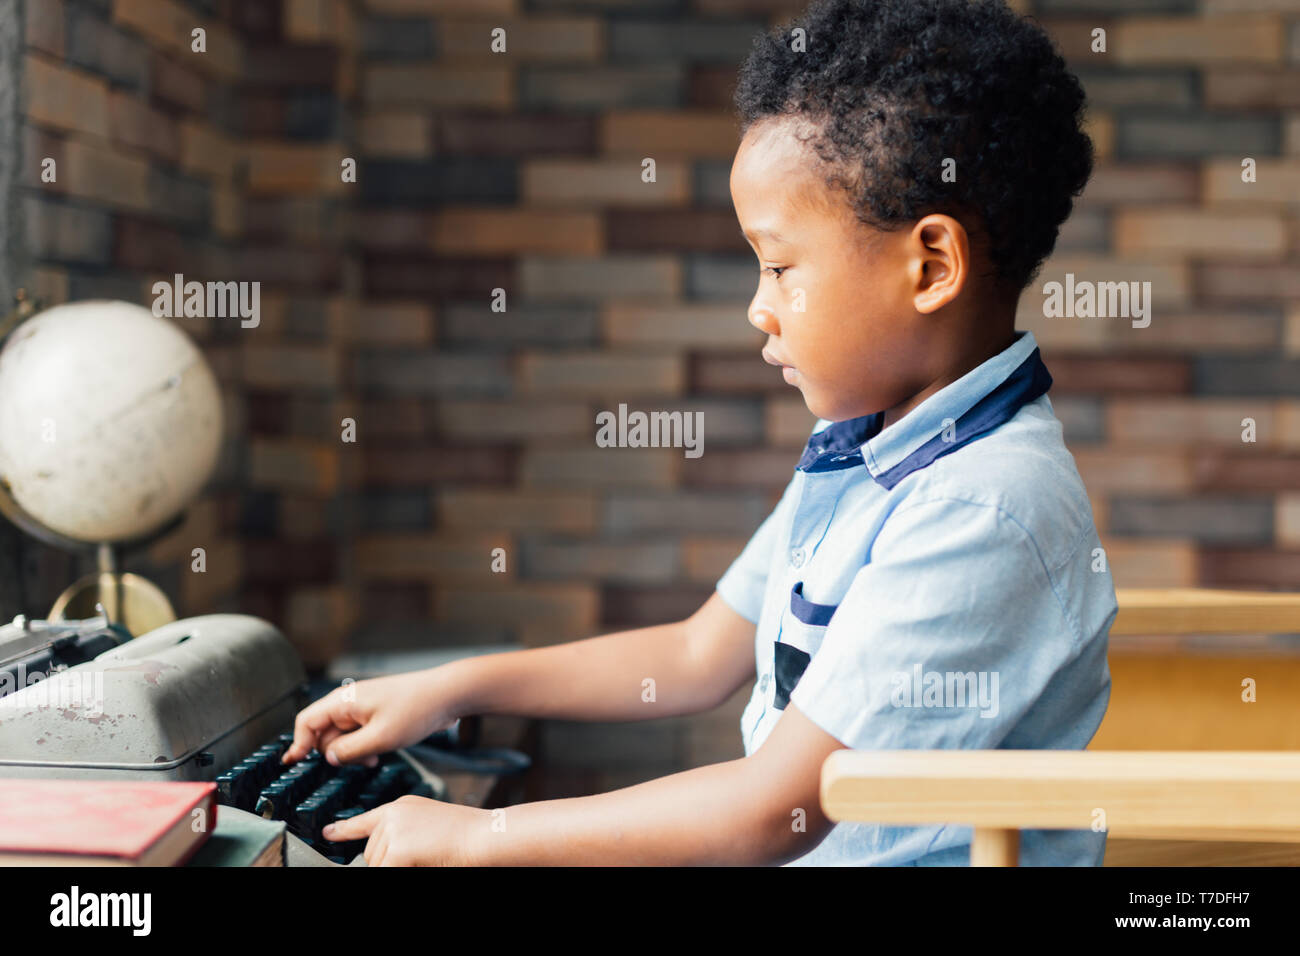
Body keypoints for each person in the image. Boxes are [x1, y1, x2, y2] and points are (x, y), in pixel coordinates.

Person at [284, 0, 1115, 865]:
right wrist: (452, 686)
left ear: (932, 266)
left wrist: (478, 837)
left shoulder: (983, 504)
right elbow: (695, 654)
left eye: (781, 265)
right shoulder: (880, 440)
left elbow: (770, 811)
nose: (759, 307)